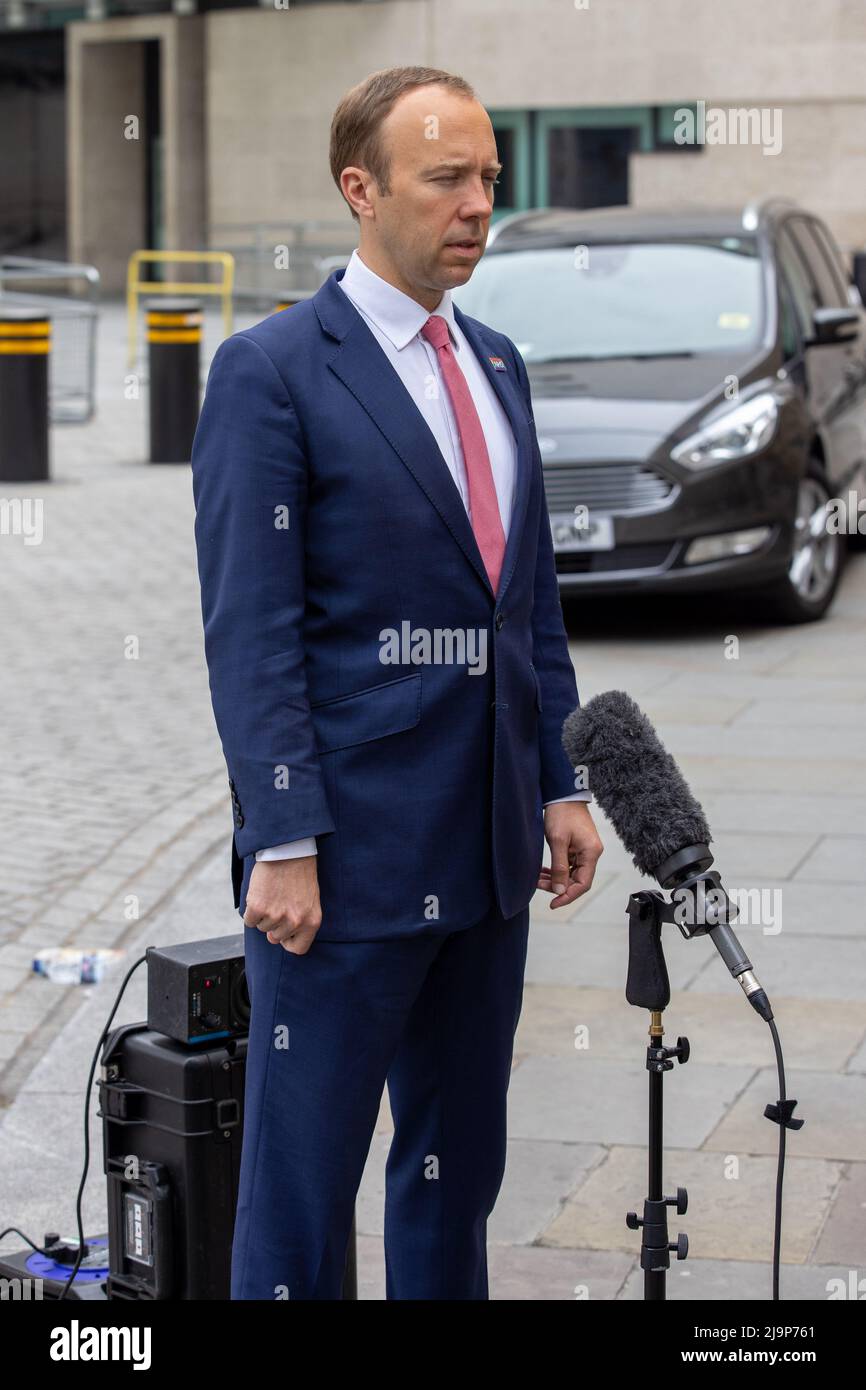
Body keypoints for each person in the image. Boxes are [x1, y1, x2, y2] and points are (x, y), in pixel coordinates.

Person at [191, 64, 603, 1301]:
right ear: (360, 190)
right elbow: (248, 634)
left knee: (452, 1173)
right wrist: (282, 837)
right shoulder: (269, 372)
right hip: (345, 864)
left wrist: (560, 778)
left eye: (487, 178)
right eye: (446, 179)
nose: (478, 204)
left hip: (484, 857)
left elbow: (523, 602)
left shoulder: (498, 363)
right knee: (300, 1192)